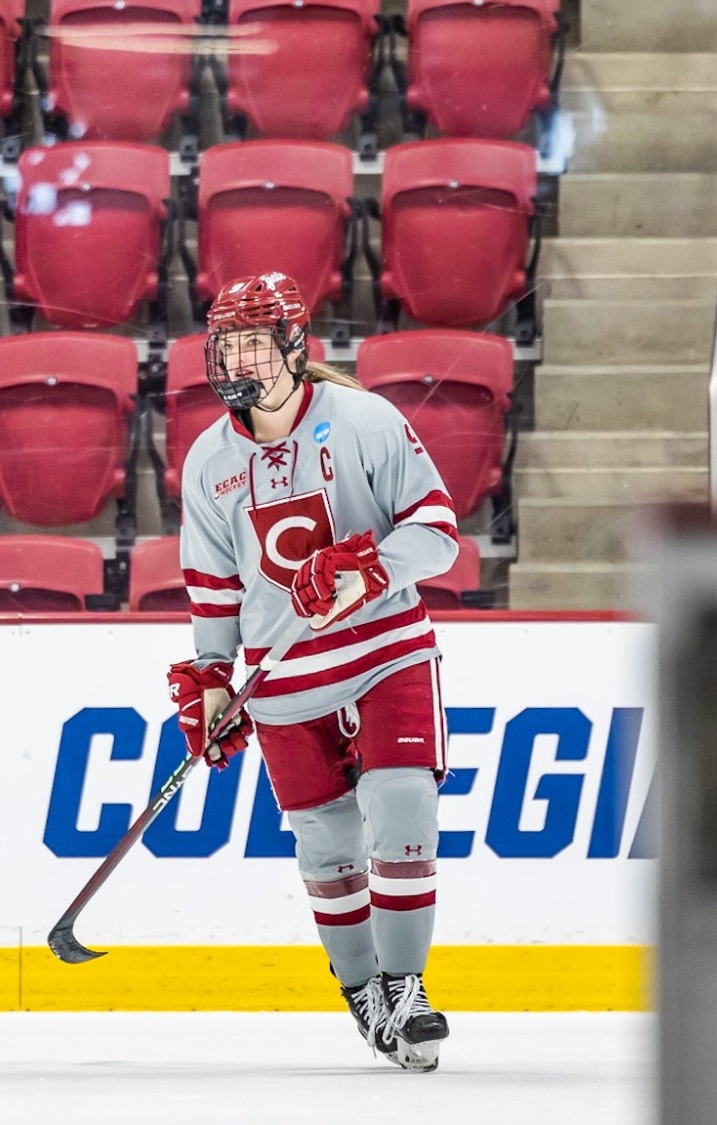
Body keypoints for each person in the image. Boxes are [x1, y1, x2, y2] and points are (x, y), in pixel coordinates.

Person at [165, 271, 460, 1071]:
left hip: (385, 649)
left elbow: (438, 531)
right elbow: (213, 587)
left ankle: (406, 987)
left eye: (256, 342)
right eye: (228, 343)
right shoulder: (207, 462)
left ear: (296, 346)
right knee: (326, 846)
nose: (239, 359)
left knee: (401, 804)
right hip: (286, 678)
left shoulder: (365, 420)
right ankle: (363, 991)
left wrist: (368, 570)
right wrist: (215, 677)